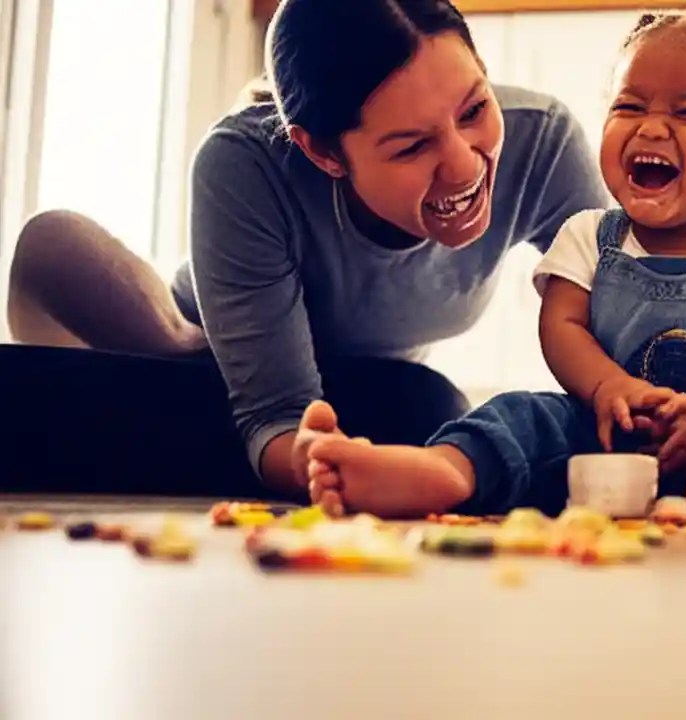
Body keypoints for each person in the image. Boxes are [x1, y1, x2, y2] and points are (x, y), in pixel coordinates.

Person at [0, 0, 607, 498]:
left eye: (475, 108)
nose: (462, 165)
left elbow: (632, 316)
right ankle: (183, 359)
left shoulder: (543, 143)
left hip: (364, 386)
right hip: (207, 357)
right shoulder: (243, 163)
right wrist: (324, 465)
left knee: (423, 409)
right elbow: (277, 412)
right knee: (59, 259)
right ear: (322, 153)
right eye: (410, 147)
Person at [304, 12, 686, 526]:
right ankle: (445, 470)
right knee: (522, 414)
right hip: (602, 428)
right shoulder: (588, 235)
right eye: (629, 105)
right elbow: (562, 326)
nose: (650, 127)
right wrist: (607, 388)